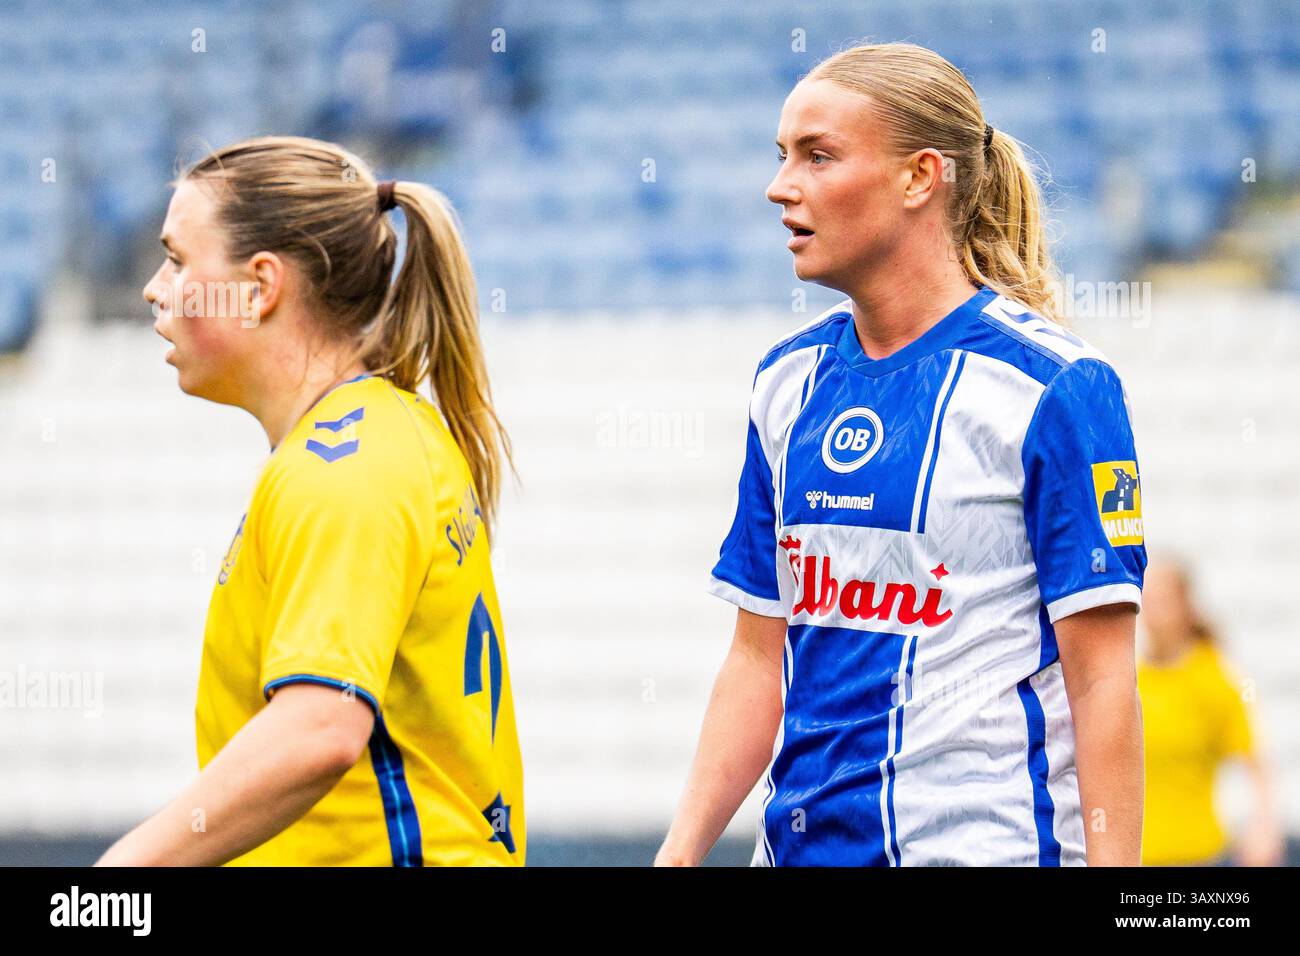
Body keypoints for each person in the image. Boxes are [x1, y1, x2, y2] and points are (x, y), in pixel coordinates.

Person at [658, 42, 1147, 866]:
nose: (781, 188)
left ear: (921, 177)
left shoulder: (1055, 389)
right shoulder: (786, 382)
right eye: (781, 157)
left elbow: (1104, 686)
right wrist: (677, 854)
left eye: (818, 156)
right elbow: (756, 658)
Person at [96, 136, 524, 866]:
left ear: (259, 285)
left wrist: (124, 872)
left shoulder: (343, 466)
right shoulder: (380, 432)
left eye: (176, 259)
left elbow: (321, 728)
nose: (154, 289)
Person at [1138, 557, 1284, 867]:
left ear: (1186, 607)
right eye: (1147, 602)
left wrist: (1263, 827)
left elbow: (1255, 761)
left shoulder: (1214, 677)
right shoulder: (1131, 680)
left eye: (1163, 602)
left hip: (1201, 855)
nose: (1152, 613)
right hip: (1141, 857)